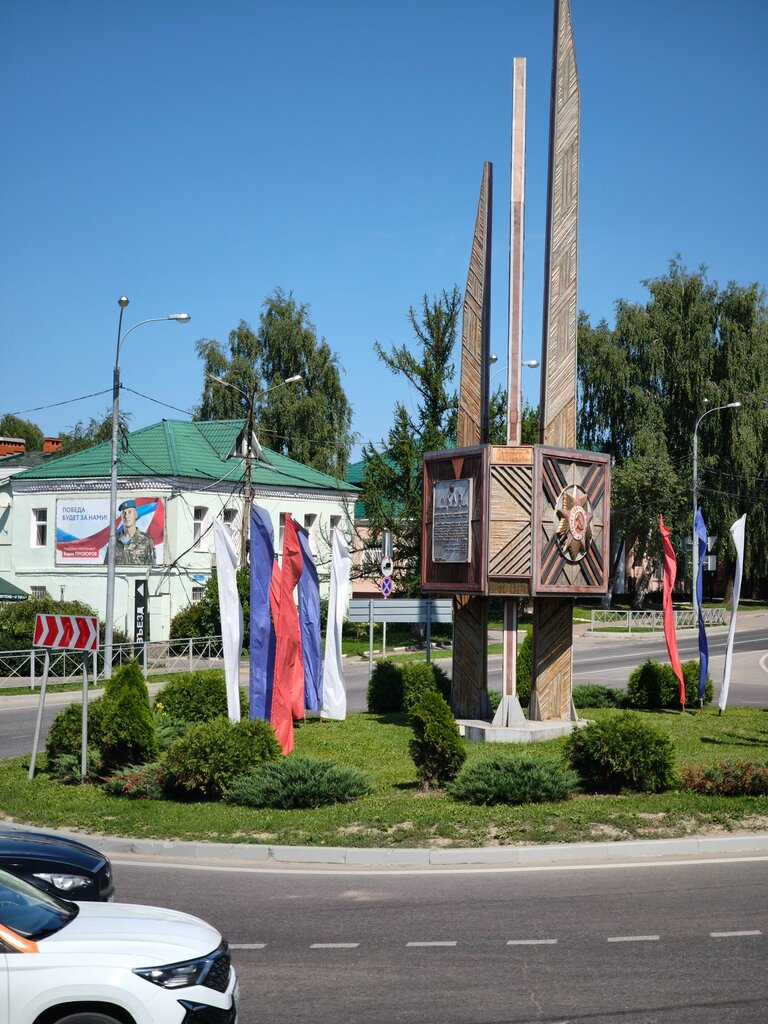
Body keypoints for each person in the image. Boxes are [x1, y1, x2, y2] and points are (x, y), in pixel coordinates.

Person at [108, 499, 156, 566]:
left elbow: (152, 569)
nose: (126, 516)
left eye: (130, 512)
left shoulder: (146, 540)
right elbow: (106, 568)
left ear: (135, 515)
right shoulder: (113, 541)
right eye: (124, 513)